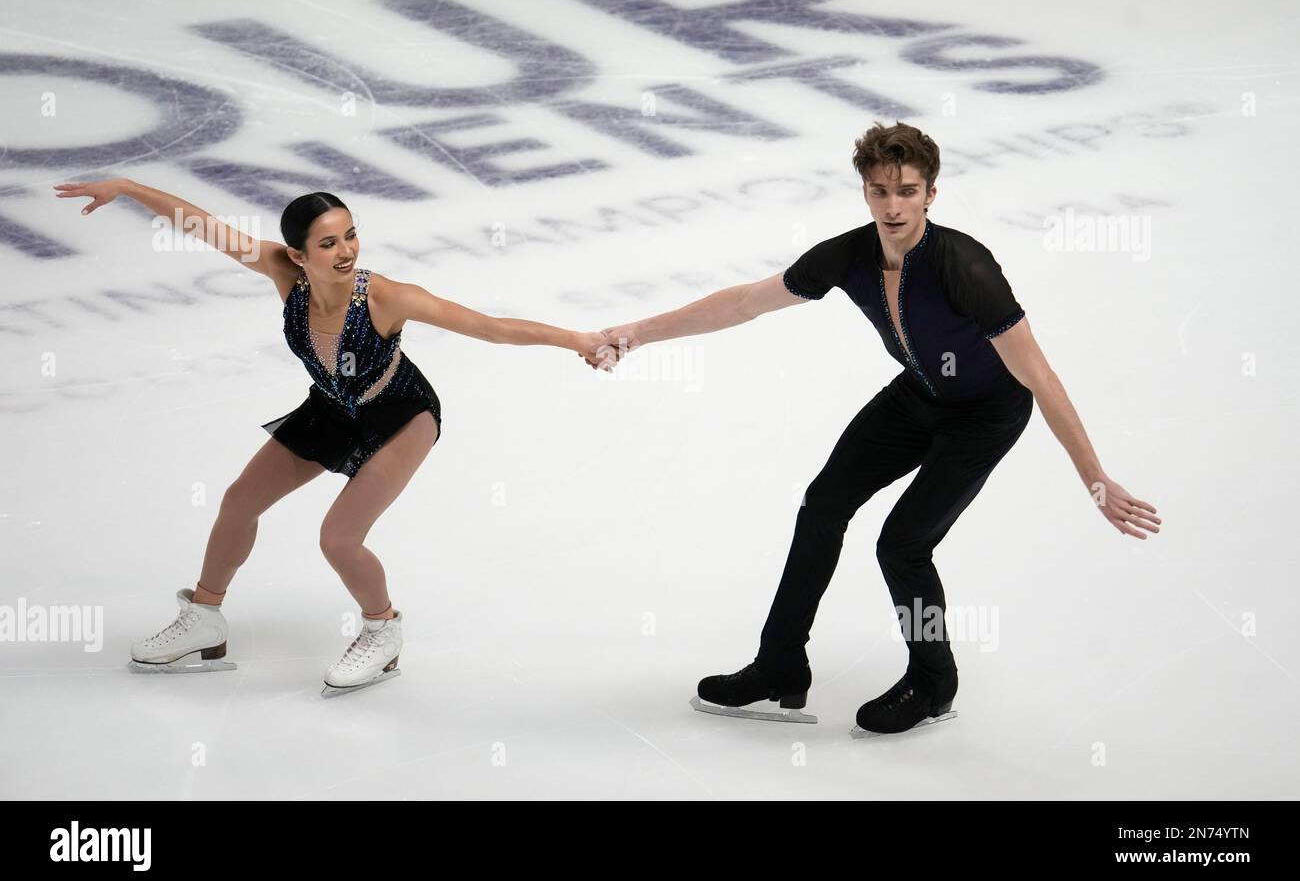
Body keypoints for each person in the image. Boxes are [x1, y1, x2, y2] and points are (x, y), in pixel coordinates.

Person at [587, 121, 1161, 734]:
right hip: (916, 397)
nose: (893, 206)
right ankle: (780, 664)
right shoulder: (848, 255)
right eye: (880, 190)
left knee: (903, 544)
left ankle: (933, 681)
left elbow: (1040, 378)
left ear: (930, 195)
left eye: (908, 191)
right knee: (822, 505)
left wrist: (1094, 478)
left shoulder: (965, 266)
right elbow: (745, 302)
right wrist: (635, 334)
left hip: (985, 416)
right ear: (864, 192)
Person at [54, 179, 613, 695]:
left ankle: (382, 629)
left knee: (338, 538)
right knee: (238, 502)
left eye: (350, 236)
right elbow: (201, 225)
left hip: (400, 414)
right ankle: (204, 616)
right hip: (331, 408)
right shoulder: (282, 273)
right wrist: (126, 189)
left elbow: (491, 328)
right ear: (298, 255)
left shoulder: (386, 297)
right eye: (327, 244)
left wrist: (578, 339)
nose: (346, 251)